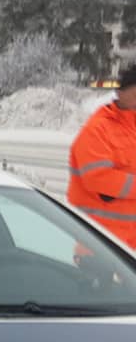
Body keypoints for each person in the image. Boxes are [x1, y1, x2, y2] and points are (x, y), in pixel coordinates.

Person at [68, 64, 136, 249]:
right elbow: (97, 178)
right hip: (100, 246)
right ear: (121, 92)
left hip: (130, 247)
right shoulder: (98, 129)